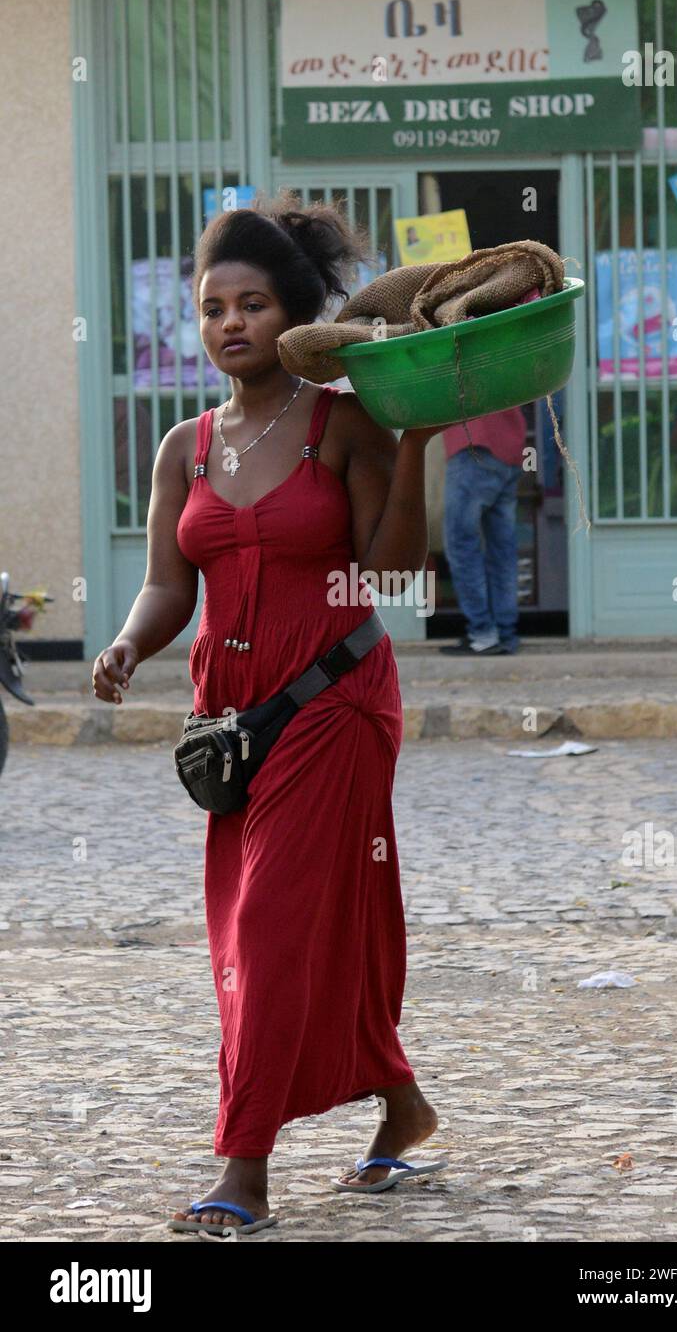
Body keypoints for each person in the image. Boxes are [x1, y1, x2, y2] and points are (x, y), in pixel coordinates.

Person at [91, 191, 448, 1232]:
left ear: (291, 315)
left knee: (269, 926)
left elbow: (389, 574)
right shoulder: (185, 447)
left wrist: (416, 442)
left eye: (251, 303)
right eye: (211, 306)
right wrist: (124, 643)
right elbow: (169, 583)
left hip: (335, 702)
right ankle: (402, 1101)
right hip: (230, 729)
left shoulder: (344, 422)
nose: (229, 323)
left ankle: (240, 1168)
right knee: (274, 933)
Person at [439, 405, 527, 655]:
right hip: (510, 446)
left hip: (474, 444)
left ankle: (483, 633)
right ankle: (505, 632)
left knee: (461, 544)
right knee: (503, 549)